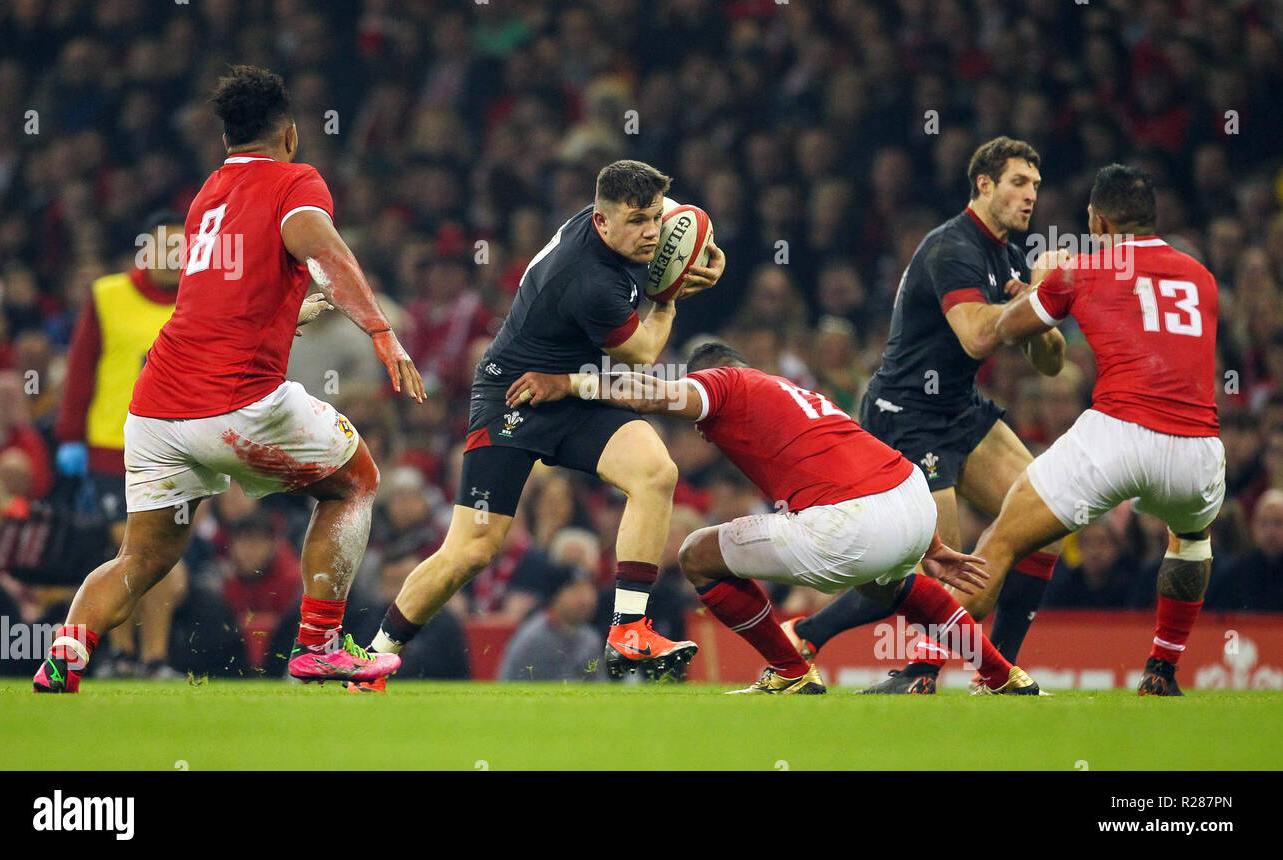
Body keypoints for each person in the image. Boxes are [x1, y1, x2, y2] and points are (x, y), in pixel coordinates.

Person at [33, 65, 423, 692]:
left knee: (144, 555)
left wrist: (285, 318)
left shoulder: (209, 194)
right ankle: (319, 645)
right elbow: (318, 241)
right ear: (291, 135)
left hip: (156, 407)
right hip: (238, 402)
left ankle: (64, 655)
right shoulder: (295, 180)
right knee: (354, 484)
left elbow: (228, 296)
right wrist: (379, 328)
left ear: (224, 141)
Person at [507, 342, 1042, 695]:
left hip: (855, 521)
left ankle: (789, 670)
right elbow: (855, 460)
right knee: (887, 587)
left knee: (697, 555)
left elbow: (658, 394)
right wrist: (925, 541)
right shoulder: (796, 395)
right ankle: (1003, 675)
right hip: (909, 498)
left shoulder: (727, 385)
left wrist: (572, 383)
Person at [367, 160, 724, 683]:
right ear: (601, 223)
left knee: (656, 473)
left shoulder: (632, 221)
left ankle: (629, 629)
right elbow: (644, 352)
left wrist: (709, 257)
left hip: (572, 387)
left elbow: (692, 227)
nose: (651, 232)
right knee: (472, 550)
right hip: (514, 395)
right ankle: (375, 654)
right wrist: (668, 299)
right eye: (636, 222)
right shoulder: (589, 279)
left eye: (654, 218)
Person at [783, 136, 1069, 694]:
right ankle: (845, 645)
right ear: (984, 184)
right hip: (909, 413)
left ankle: (998, 675)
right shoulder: (953, 247)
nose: (1030, 195)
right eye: (1018, 182)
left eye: (1036, 185)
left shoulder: (1009, 256)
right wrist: (1027, 301)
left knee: (1048, 525)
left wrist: (1040, 304)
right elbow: (976, 336)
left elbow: (1051, 361)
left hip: (960, 409)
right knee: (943, 568)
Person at [979, 163, 1224, 695]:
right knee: (1190, 541)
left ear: (1097, 220)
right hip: (1198, 448)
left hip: (1119, 432)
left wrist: (1040, 284)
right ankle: (1161, 669)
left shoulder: (1084, 270)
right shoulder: (1201, 277)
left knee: (1000, 542)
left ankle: (927, 669)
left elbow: (1007, 329)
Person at [53, 210, 190, 678]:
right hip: (114, 444)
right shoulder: (108, 295)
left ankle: (152, 657)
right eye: (163, 248)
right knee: (128, 549)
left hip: (178, 445)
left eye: (180, 248)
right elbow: (81, 368)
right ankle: (123, 654)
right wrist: (70, 436)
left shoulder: (202, 299)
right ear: (145, 251)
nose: (172, 258)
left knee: (161, 556)